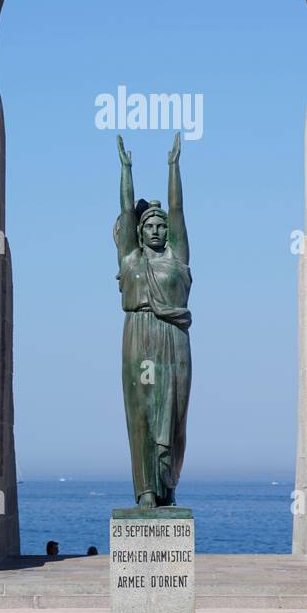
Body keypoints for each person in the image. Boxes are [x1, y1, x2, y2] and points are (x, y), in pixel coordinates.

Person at [115, 132, 192, 507]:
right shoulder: (131, 260)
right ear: (140, 232)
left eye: (161, 226)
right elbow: (127, 211)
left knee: (174, 415)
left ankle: (168, 484)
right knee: (143, 413)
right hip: (139, 335)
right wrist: (126, 171)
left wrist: (173, 166)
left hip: (174, 337)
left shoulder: (178, 258)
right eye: (150, 226)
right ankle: (146, 490)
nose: (158, 230)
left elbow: (177, 212)